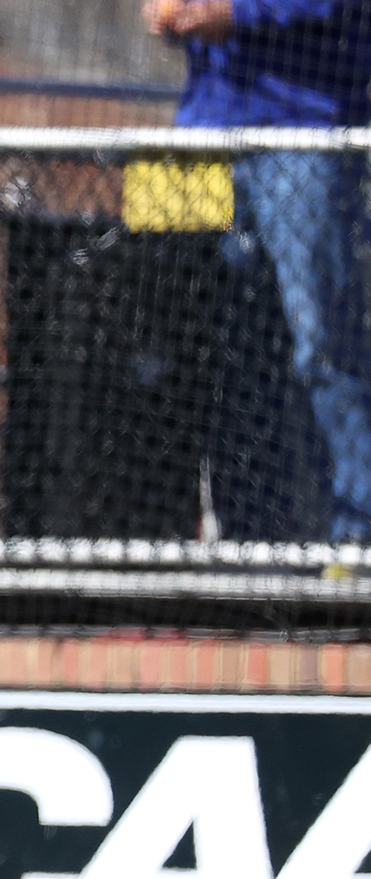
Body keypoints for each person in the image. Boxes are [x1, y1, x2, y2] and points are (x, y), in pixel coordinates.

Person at [143, 0, 371, 540]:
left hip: (307, 138)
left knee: (321, 342)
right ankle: (246, 536)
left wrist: (235, 13)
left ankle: (355, 537)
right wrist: (168, 13)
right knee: (195, 344)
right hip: (200, 141)